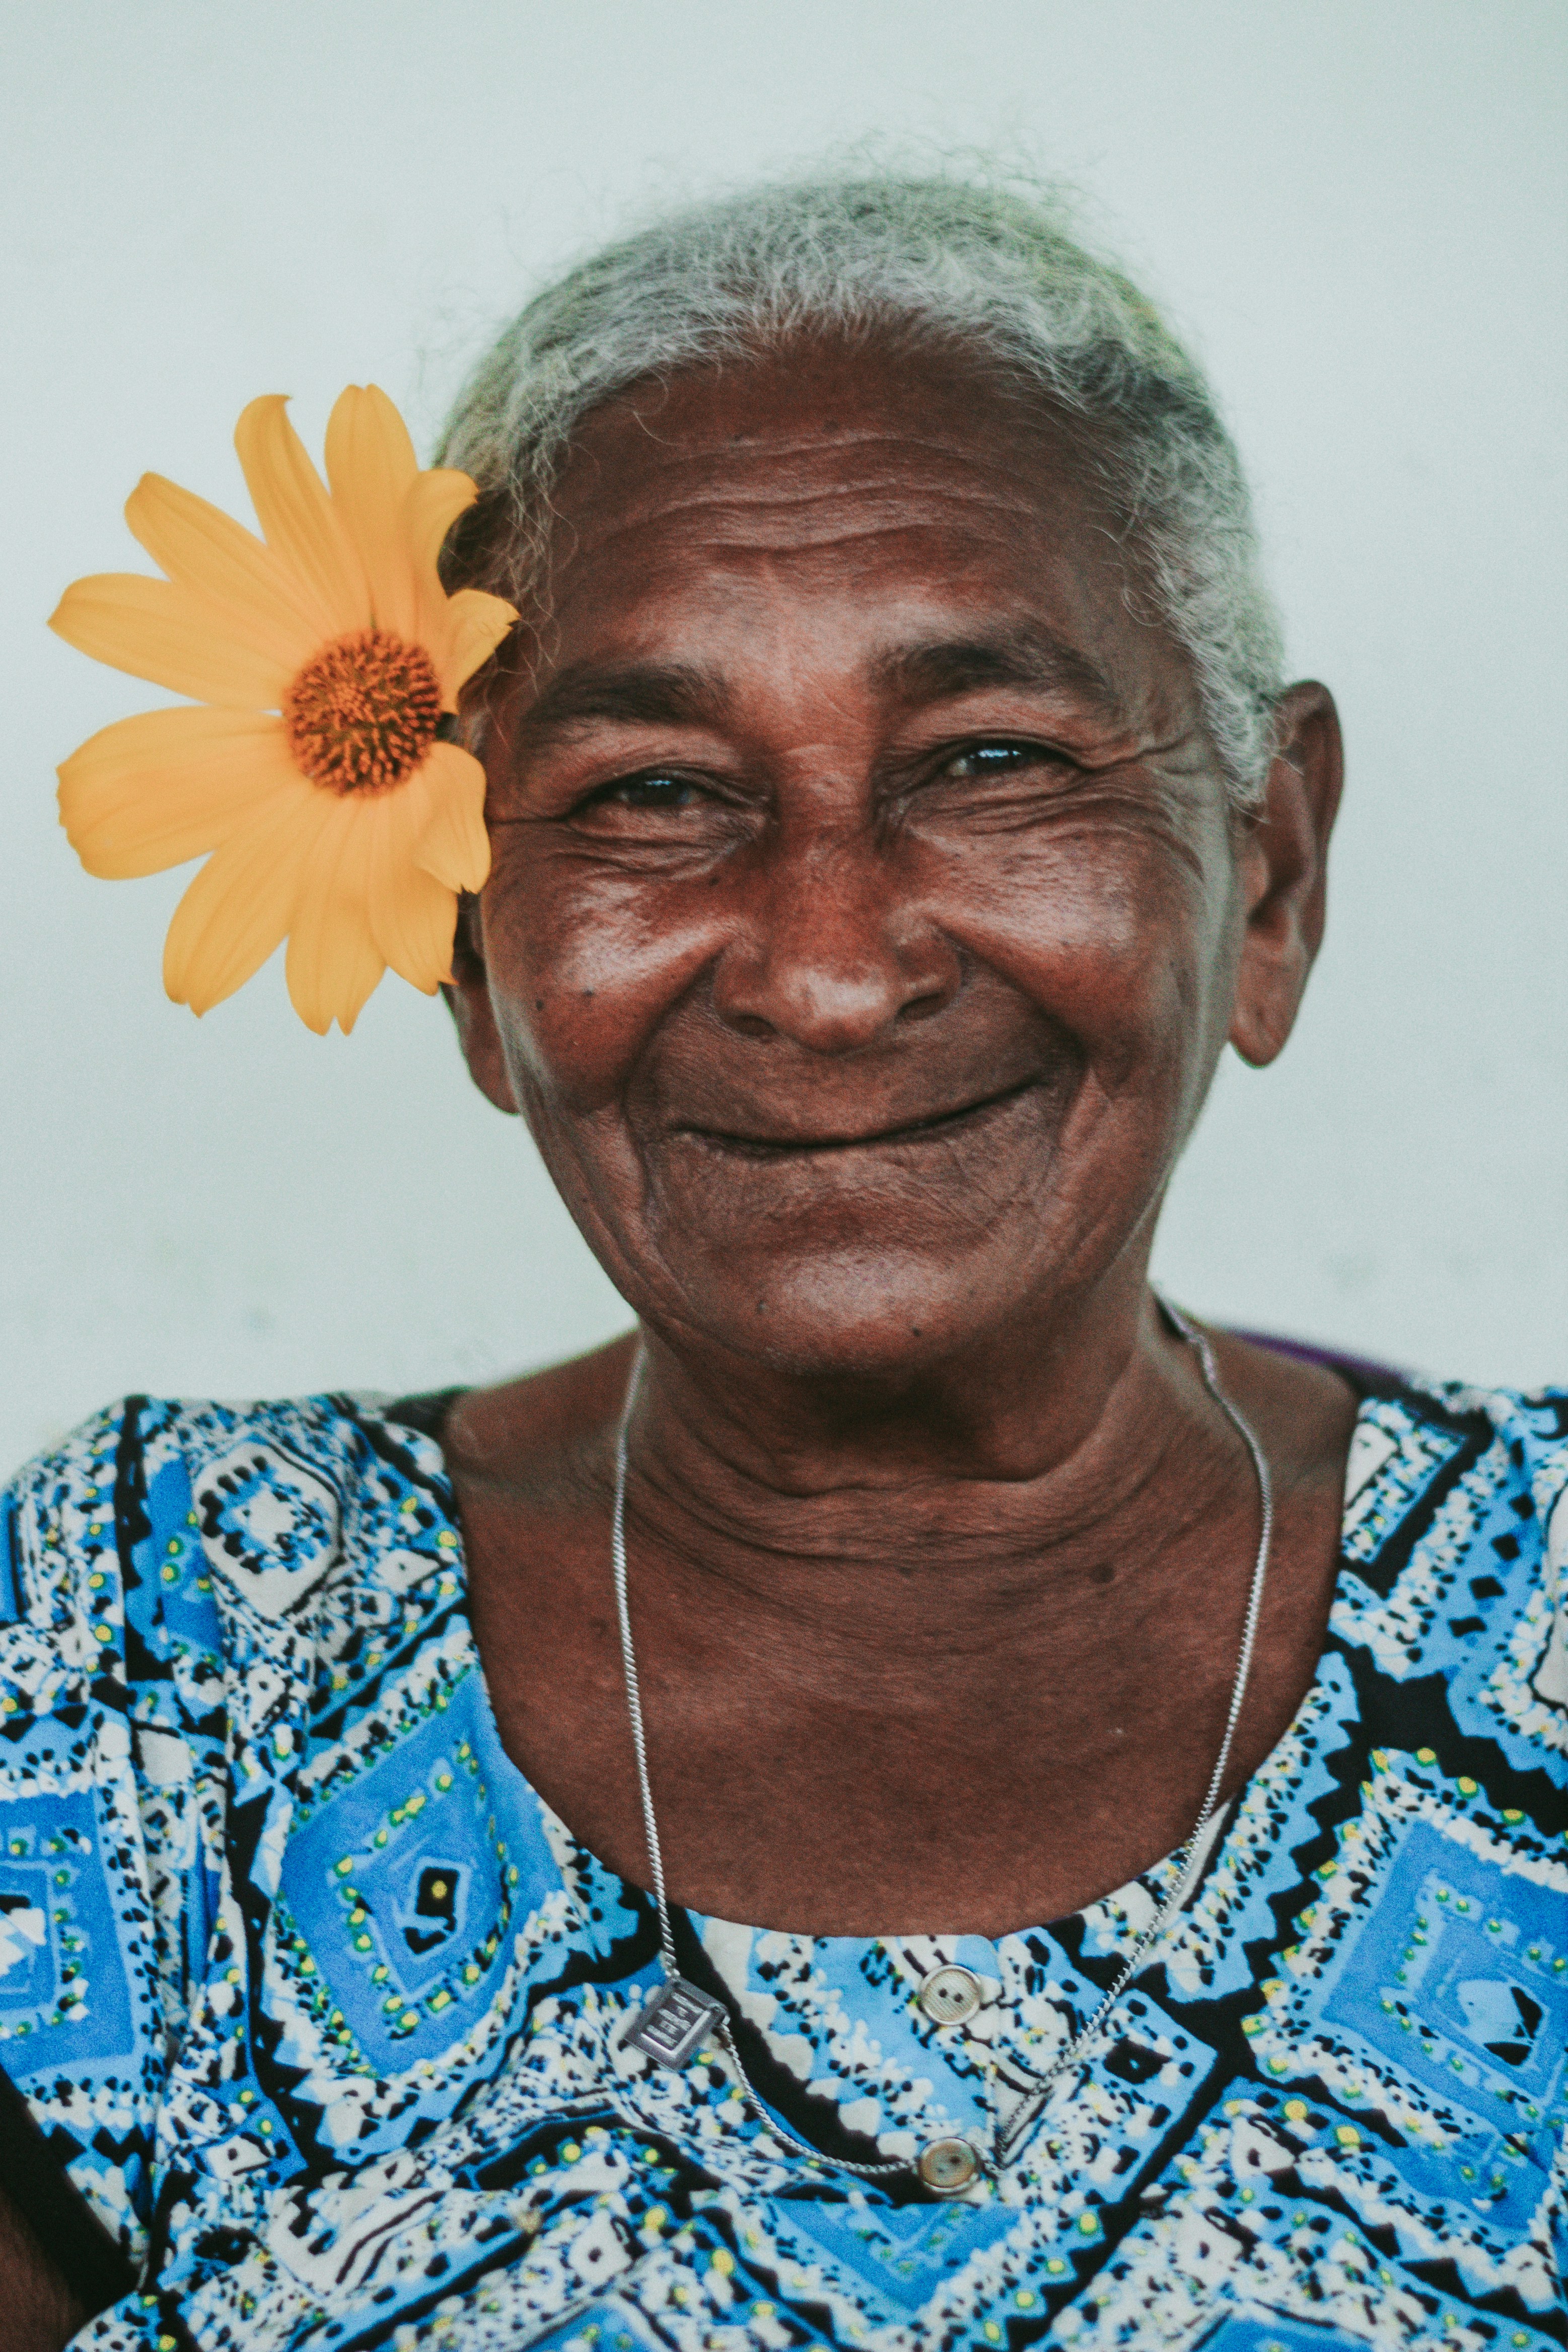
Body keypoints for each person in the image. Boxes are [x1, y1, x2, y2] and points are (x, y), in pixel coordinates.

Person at [1, 173, 1562, 2352]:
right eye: (650, 792)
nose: (827, 970)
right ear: (471, 955)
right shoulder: (157, 1647)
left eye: (990, 759)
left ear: (1265, 870)